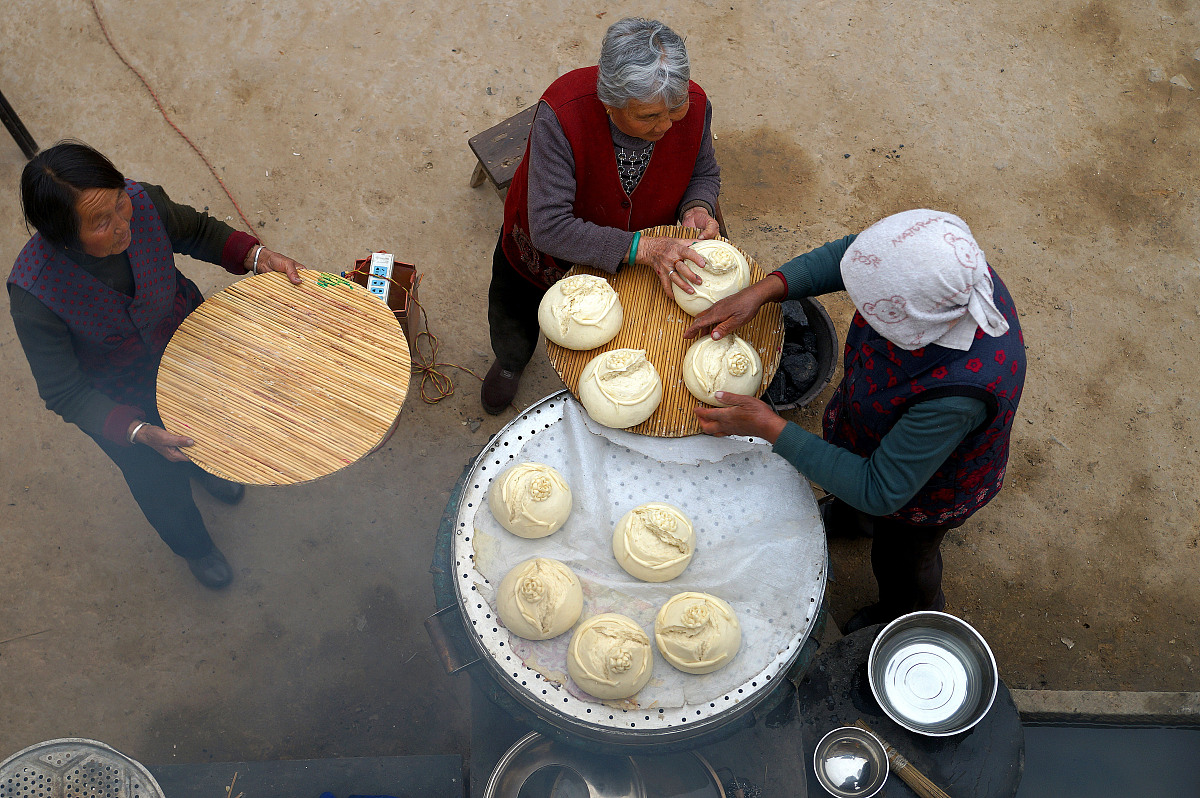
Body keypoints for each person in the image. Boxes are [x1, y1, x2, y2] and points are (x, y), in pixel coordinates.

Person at [684, 210, 1026, 632]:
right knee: (850, 485)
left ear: (909, 320)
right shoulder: (935, 266)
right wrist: (765, 291)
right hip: (873, 419)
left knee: (901, 555)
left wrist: (770, 427)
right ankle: (852, 518)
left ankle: (905, 611)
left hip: (928, 487)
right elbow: (851, 256)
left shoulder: (958, 393)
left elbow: (882, 488)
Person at [9, 141, 307, 589]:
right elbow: (65, 392)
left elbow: (200, 232)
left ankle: (209, 469)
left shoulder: (143, 203)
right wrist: (135, 432)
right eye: (101, 222)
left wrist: (257, 257)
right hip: (122, 399)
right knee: (160, 487)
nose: (122, 223)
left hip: (189, 349)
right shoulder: (36, 295)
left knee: (212, 428)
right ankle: (196, 549)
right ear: (64, 237)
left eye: (118, 203)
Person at [483, 17, 723, 414]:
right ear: (608, 104)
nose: (665, 126)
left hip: (645, 244)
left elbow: (703, 172)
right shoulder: (561, 116)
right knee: (517, 307)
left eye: (674, 109)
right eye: (648, 117)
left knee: (627, 321)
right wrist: (643, 249)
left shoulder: (695, 106)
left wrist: (697, 206)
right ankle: (510, 361)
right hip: (548, 254)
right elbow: (549, 226)